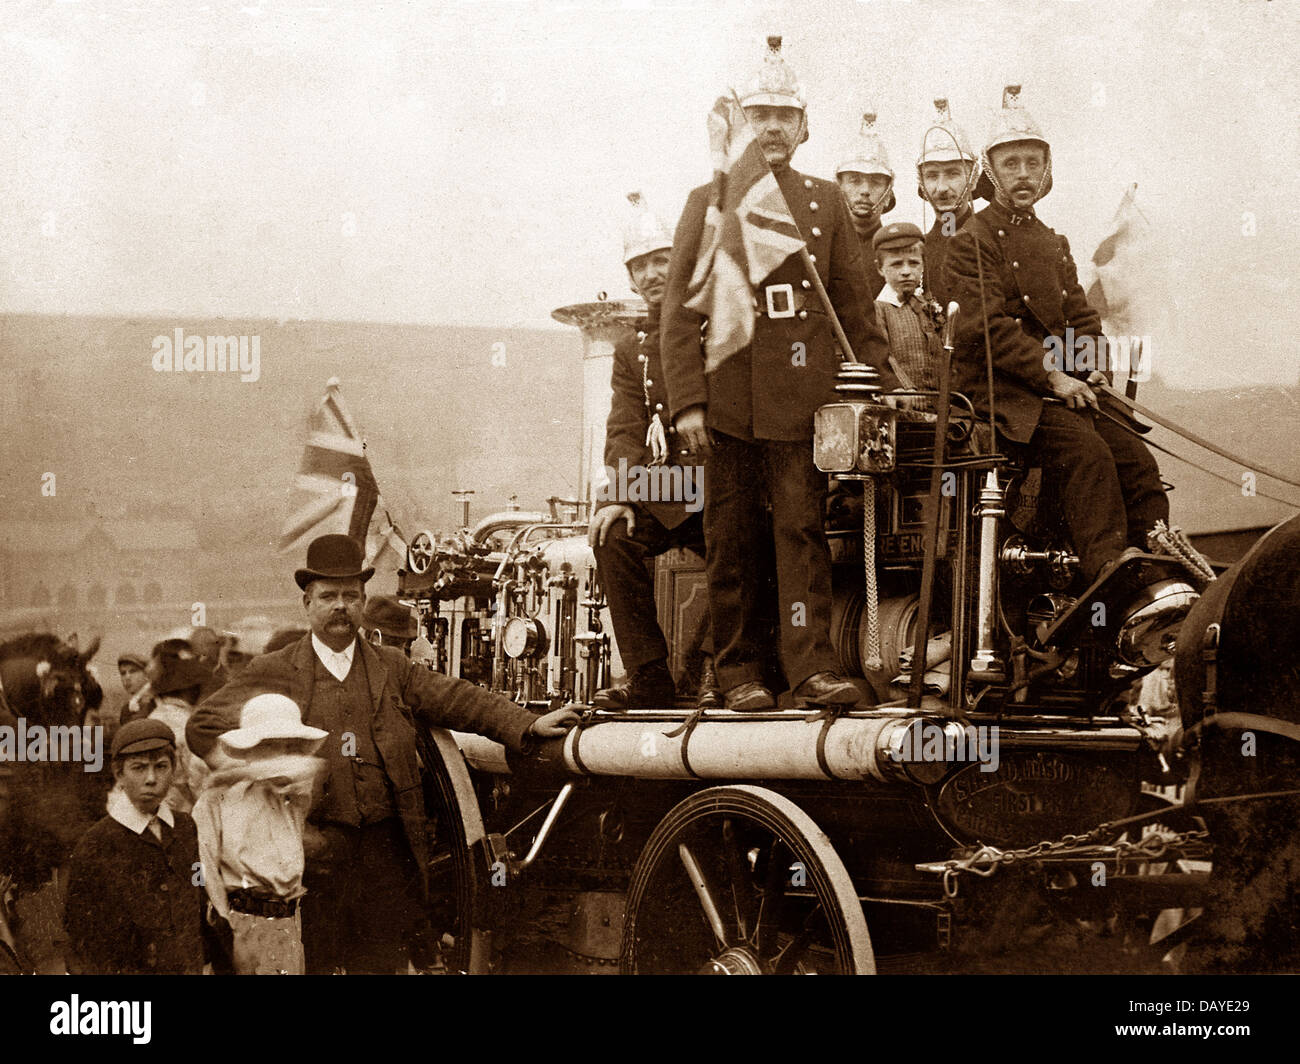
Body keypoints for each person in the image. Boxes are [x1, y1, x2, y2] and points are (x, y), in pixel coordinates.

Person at [186, 533, 577, 973]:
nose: (340, 606)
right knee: (310, 963)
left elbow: (459, 699)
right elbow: (203, 726)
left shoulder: (391, 667)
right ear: (307, 604)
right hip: (310, 853)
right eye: (328, 596)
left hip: (386, 856)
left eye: (350, 596)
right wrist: (262, 780)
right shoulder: (276, 669)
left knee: (381, 964)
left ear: (362, 601)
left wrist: (525, 723)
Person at [661, 37, 896, 712]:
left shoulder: (825, 204)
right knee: (730, 542)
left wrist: (873, 395)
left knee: (801, 538)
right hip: (727, 401)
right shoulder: (710, 201)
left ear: (803, 127)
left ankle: (811, 669)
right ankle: (738, 674)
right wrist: (686, 404)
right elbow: (679, 313)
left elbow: (856, 313)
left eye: (783, 116)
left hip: (805, 408)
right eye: (759, 113)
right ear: (743, 124)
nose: (770, 126)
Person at [943, 85, 1171, 588]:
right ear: (991, 171)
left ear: (1046, 171)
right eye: (1010, 164)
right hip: (998, 391)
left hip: (1059, 387)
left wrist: (1091, 367)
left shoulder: (1052, 242)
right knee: (1085, 452)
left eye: (1032, 163)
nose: (1022, 174)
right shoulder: (969, 242)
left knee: (1133, 454)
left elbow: (1080, 318)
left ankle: (1159, 573)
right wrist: (1053, 376)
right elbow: (988, 328)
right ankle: (1109, 573)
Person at [589, 191, 720, 711]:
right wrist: (621, 495)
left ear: (684, 259)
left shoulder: (717, 325)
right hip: (668, 486)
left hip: (723, 481)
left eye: (661, 259)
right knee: (612, 535)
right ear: (629, 278)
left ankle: (720, 666)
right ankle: (648, 675)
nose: (650, 273)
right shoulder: (631, 348)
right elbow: (624, 429)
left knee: (745, 539)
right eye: (639, 265)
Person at [192, 693, 326, 975]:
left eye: (289, 745)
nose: (282, 753)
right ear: (251, 746)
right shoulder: (216, 798)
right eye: (270, 744)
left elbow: (305, 766)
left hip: (288, 921)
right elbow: (205, 868)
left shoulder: (292, 794)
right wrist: (224, 925)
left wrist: (237, 772)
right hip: (242, 921)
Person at [63, 719, 205, 974]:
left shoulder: (185, 828)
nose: (151, 779)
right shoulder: (96, 844)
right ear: (119, 774)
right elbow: (81, 937)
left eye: (161, 766)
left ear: (174, 770)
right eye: (138, 768)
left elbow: (197, 892)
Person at [917, 98, 981, 309]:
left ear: (972, 178)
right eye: (932, 175)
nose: (942, 187)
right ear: (921, 181)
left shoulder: (993, 239)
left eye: (953, 173)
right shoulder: (917, 250)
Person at [872, 221, 944, 398]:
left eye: (913, 263)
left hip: (940, 406)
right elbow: (884, 357)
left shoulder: (927, 305)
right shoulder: (879, 309)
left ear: (923, 265)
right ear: (880, 268)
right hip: (903, 404)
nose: (906, 271)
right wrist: (904, 389)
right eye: (896, 264)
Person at [835, 111, 896, 299]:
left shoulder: (896, 249)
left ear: (888, 193)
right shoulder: (825, 246)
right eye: (854, 180)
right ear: (839, 187)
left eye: (876, 182)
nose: (865, 190)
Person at [148, 655, 213, 814]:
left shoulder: (151, 718)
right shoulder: (189, 725)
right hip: (178, 809)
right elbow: (197, 778)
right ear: (188, 690)